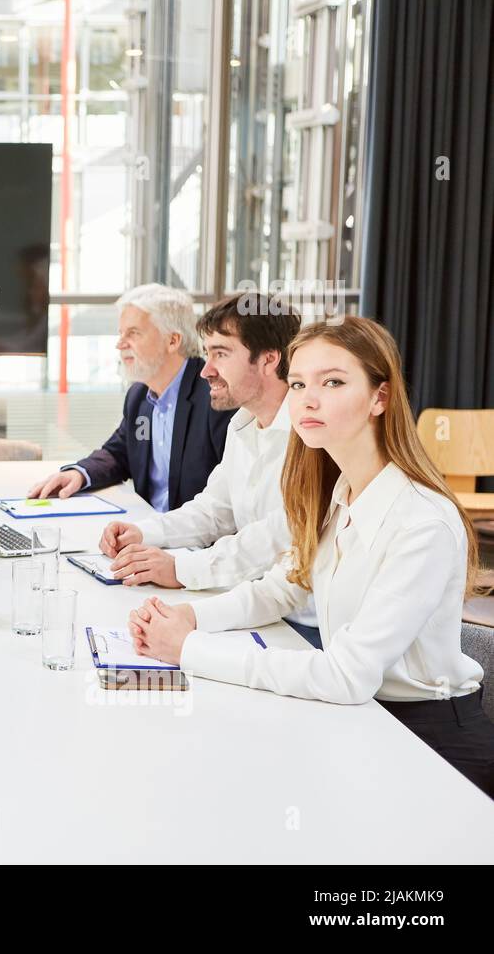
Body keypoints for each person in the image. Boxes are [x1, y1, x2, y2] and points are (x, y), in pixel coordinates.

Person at [129, 316, 494, 796]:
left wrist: (190, 649)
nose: (308, 399)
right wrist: (187, 618)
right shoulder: (336, 490)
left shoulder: (421, 522)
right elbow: (283, 586)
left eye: (334, 382)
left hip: (429, 745)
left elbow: (346, 675)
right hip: (364, 719)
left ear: (380, 397)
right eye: (299, 384)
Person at [97, 293, 321, 645]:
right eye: (207, 353)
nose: (206, 370)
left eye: (220, 353)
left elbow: (274, 541)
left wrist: (179, 569)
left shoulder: (310, 436)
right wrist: (143, 533)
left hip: (305, 626)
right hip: (258, 607)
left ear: (268, 359)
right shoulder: (243, 424)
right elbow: (215, 510)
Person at [27, 284, 232, 512]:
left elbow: (228, 499)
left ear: (173, 341)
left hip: (192, 539)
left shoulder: (215, 396)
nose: (120, 343)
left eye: (133, 333)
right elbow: (118, 453)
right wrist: (79, 474)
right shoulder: (139, 396)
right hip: (147, 529)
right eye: (120, 333)